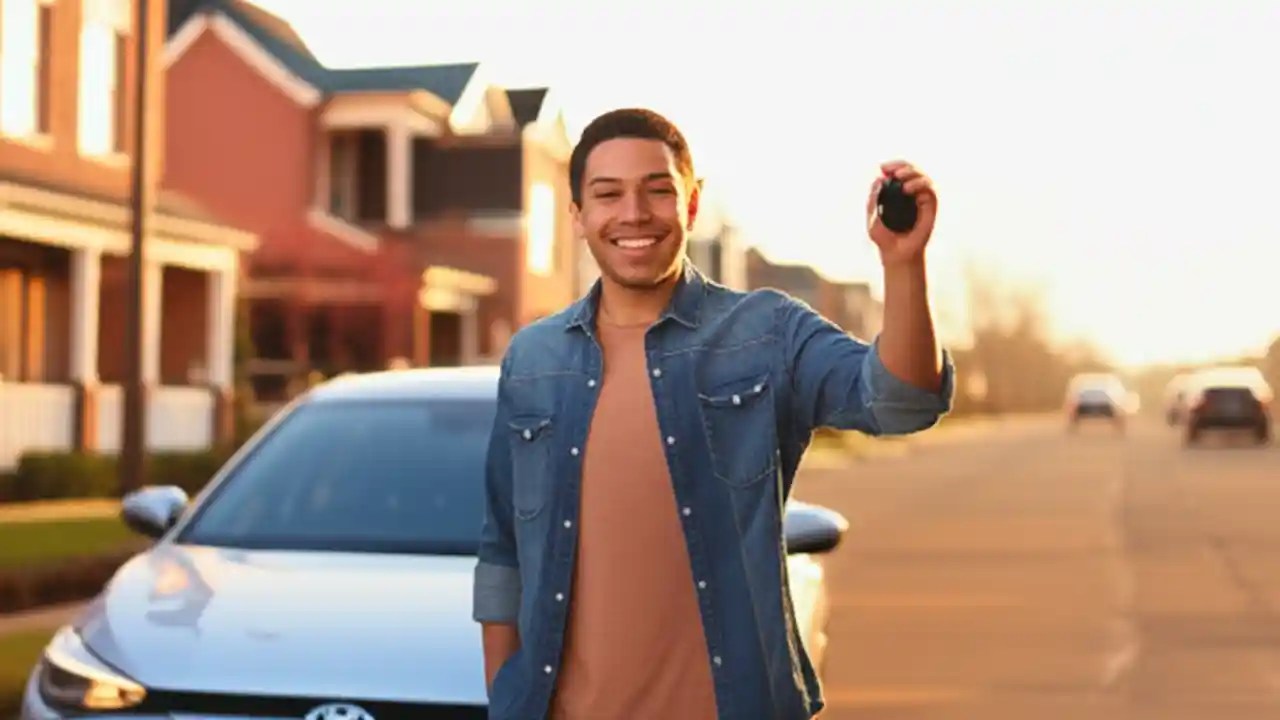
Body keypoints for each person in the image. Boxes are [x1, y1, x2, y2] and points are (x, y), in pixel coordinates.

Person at [473, 107, 954, 720]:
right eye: (607, 194)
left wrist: (903, 264)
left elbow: (902, 401)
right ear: (577, 217)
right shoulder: (533, 359)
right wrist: (508, 695)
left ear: (692, 205)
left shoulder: (767, 332)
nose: (633, 214)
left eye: (657, 191)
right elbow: (503, 549)